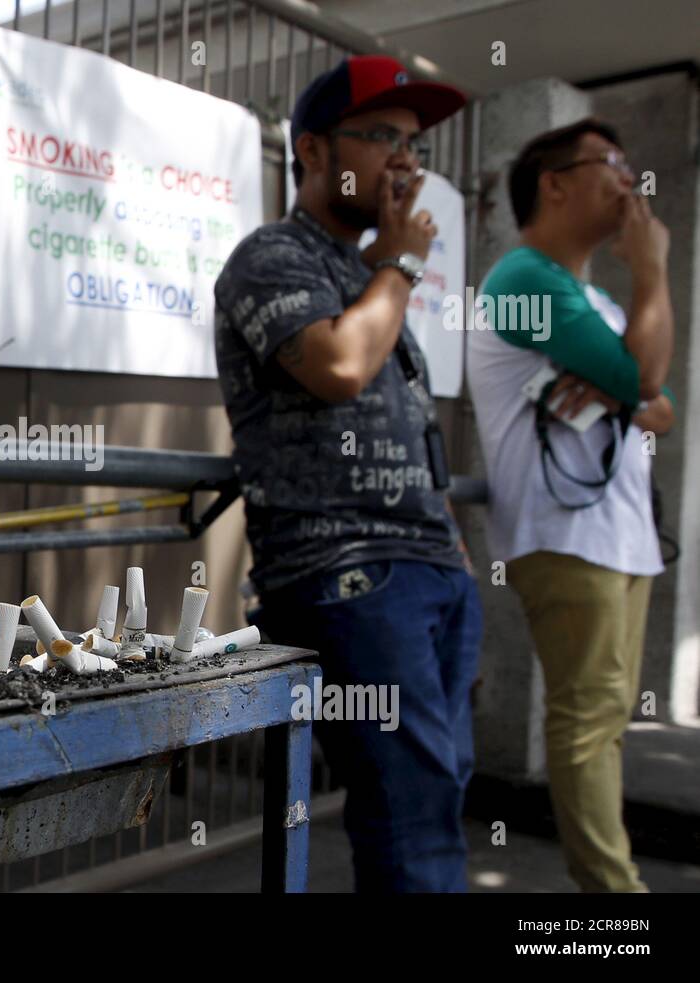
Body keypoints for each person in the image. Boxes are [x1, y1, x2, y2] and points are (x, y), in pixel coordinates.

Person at [214, 55, 479, 892]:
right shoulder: (271, 257)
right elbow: (336, 366)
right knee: (413, 811)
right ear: (315, 150)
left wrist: (456, 556)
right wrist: (399, 264)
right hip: (348, 572)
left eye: (414, 145)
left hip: (431, 573)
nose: (405, 163)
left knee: (432, 799)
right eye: (383, 138)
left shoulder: (371, 278)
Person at [466, 118, 675, 892]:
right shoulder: (523, 278)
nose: (629, 179)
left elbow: (661, 403)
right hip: (566, 533)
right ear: (554, 183)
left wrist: (632, 386)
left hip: (621, 536)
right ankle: (617, 901)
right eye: (610, 164)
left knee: (610, 718)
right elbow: (646, 384)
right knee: (588, 721)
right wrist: (652, 272)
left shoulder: (590, 299)